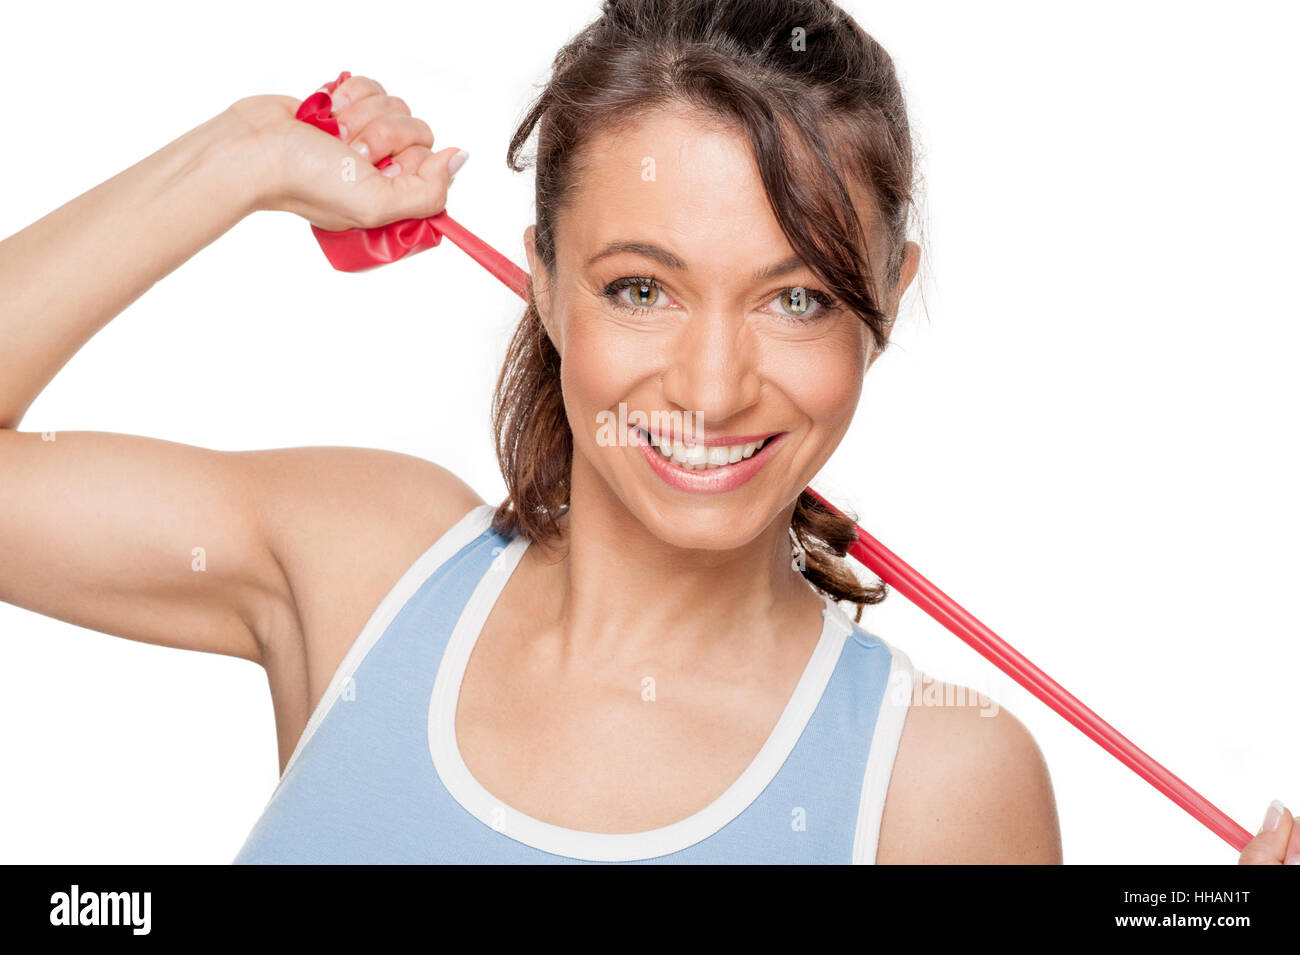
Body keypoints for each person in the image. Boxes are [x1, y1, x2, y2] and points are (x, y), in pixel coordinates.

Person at [0, 0, 1291, 864]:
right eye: (639, 289)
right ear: (543, 278)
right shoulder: (365, 567)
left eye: (796, 297)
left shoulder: (938, 781)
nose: (714, 389)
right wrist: (240, 159)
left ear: (887, 299)